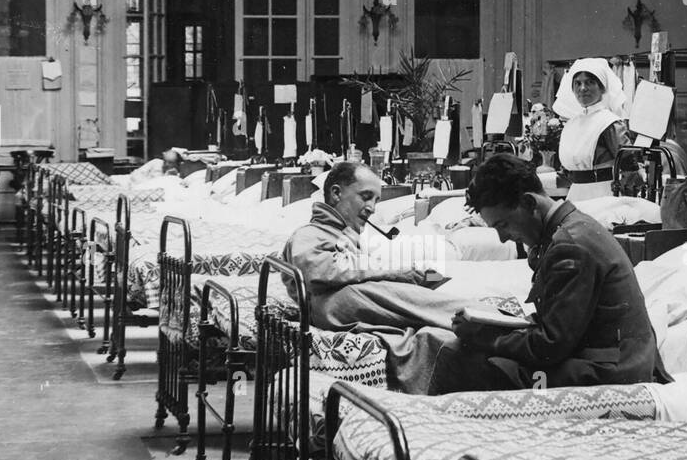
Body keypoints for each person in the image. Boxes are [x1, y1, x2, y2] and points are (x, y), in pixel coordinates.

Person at [429, 154, 667, 394]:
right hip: (608, 359)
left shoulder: (570, 246)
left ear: (530, 203)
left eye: (503, 225)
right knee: (466, 352)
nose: (502, 238)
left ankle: (434, 426)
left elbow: (549, 346)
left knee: (460, 359)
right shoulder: (570, 230)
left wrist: (486, 338)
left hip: (609, 372)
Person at [283, 161, 461, 392]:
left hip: (343, 303)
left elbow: (351, 267)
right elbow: (318, 271)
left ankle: (474, 321)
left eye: (376, 200)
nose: (373, 207)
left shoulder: (340, 233)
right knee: (420, 302)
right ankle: (483, 320)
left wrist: (403, 276)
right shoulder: (310, 233)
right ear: (336, 193)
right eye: (366, 196)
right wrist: (396, 273)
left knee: (424, 312)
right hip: (335, 304)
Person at [553, 57, 631, 201]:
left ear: (602, 87)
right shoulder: (572, 123)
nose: (582, 88)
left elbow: (628, 164)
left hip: (602, 193)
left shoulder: (609, 122)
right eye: (578, 83)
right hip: (576, 193)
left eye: (589, 82)